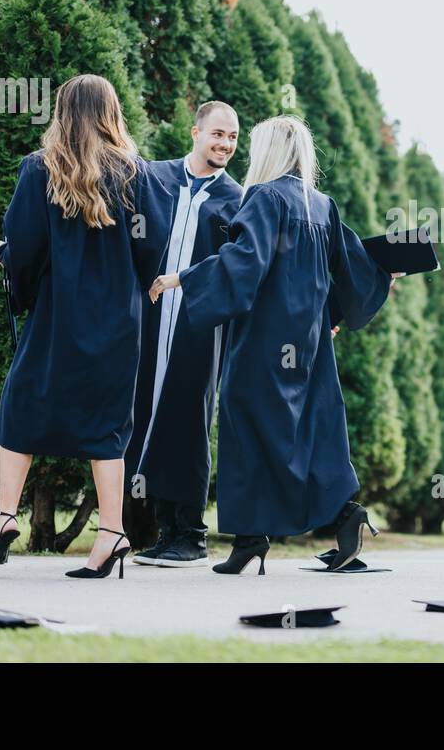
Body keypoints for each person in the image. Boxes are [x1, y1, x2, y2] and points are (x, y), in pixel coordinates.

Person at [150, 116, 395, 574]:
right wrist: (382, 275)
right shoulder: (320, 204)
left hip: (263, 340)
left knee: (249, 429)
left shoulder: (264, 197)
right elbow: (351, 268)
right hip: (309, 343)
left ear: (268, 151)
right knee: (301, 433)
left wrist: (184, 277)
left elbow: (244, 261)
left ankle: (260, 537)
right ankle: (313, 523)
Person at [0, 73, 169, 579]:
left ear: (63, 113)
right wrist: (143, 282)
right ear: (112, 113)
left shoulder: (40, 169)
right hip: (117, 320)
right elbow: (150, 246)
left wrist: (8, 262)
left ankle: (5, 518)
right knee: (108, 424)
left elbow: (23, 246)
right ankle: (112, 532)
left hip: (58, 315)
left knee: (21, 405)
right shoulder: (140, 175)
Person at [126, 101, 243, 567]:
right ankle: (163, 529)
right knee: (144, 412)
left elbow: (237, 266)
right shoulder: (154, 179)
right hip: (149, 322)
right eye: (218, 134)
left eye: (233, 138)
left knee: (188, 421)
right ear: (195, 132)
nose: (225, 144)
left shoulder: (236, 199)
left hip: (198, 327)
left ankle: (191, 533)